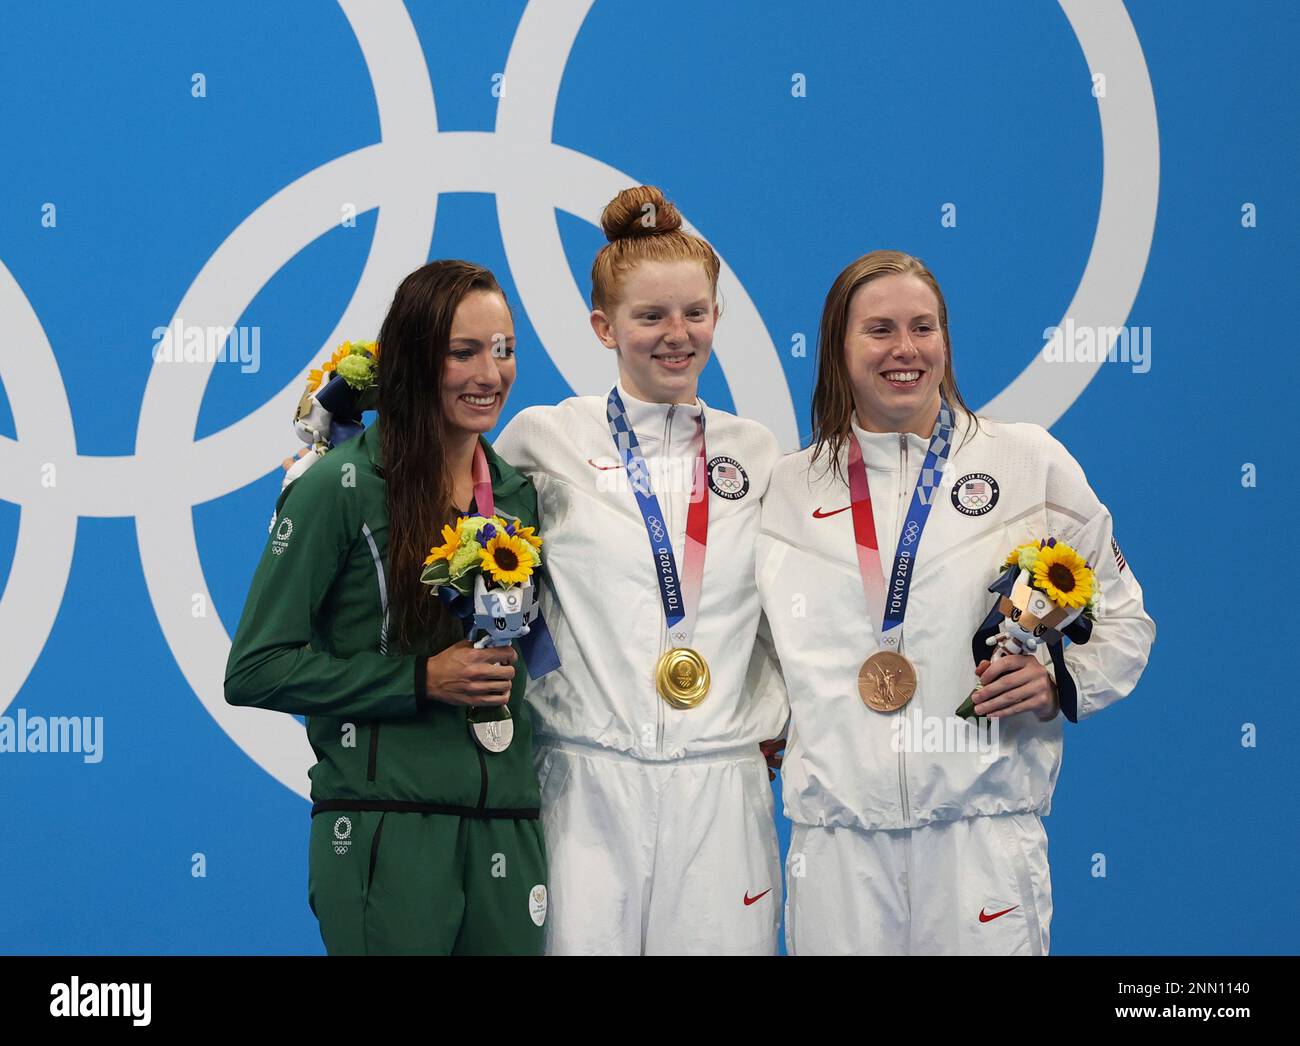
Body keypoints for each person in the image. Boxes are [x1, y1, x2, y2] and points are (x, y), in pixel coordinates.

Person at [756, 249, 1155, 955]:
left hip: (983, 839)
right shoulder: (787, 489)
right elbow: (751, 646)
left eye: (924, 327)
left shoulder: (1028, 462)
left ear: (946, 338)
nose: (904, 349)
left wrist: (1061, 681)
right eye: (878, 330)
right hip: (837, 847)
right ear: (838, 349)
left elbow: (1126, 620)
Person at [494, 186, 788, 955]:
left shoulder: (758, 455)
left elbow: (810, 608)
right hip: (582, 782)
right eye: (650, 316)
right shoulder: (543, 440)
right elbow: (451, 534)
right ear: (604, 326)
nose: (676, 335)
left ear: (718, 318)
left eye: (695, 313)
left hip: (722, 787)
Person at [224, 260, 549, 955]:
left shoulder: (519, 494)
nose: (488, 374)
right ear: (410, 358)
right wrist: (419, 682)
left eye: (503, 350)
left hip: (510, 824)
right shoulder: (340, 488)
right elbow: (254, 668)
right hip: (385, 825)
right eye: (462, 352)